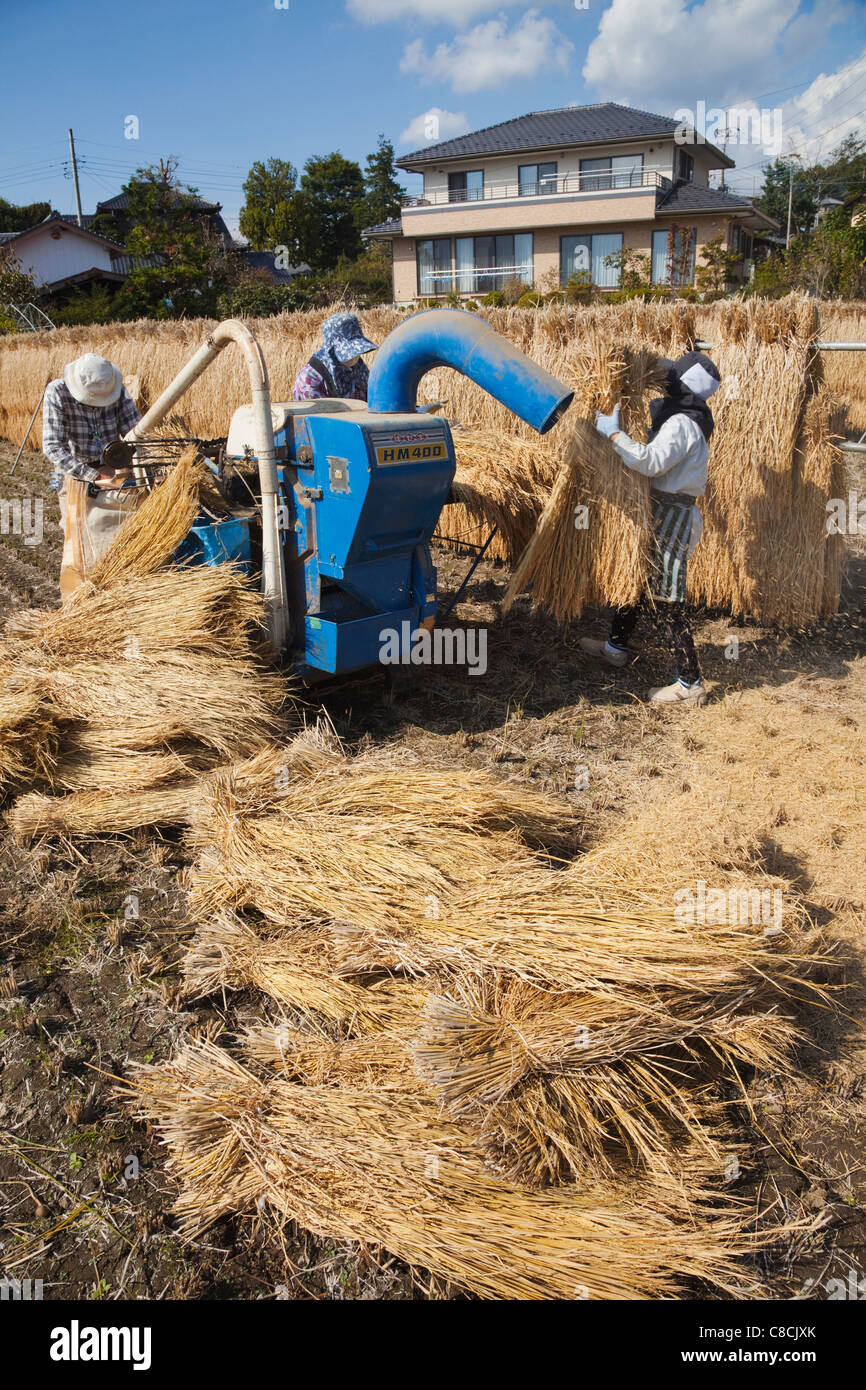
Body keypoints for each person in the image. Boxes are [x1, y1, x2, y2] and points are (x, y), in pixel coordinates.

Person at [580, 350, 721, 707]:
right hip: (663, 512)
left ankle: (690, 683)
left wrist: (614, 436)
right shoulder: (686, 419)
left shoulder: (681, 424)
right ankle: (615, 647)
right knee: (638, 582)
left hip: (673, 518)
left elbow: (650, 461)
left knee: (668, 598)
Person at [42, 353, 141, 596]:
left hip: (114, 469)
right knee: (78, 542)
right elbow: (53, 447)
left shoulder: (117, 390)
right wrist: (92, 476)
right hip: (75, 473)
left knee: (118, 537)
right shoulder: (57, 392)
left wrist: (140, 466)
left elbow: (137, 432)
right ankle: (80, 598)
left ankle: (116, 592)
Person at [292, 311, 377, 402]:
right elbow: (315, 414)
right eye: (349, 352)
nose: (354, 358)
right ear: (331, 348)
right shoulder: (309, 378)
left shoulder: (359, 368)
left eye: (356, 352)